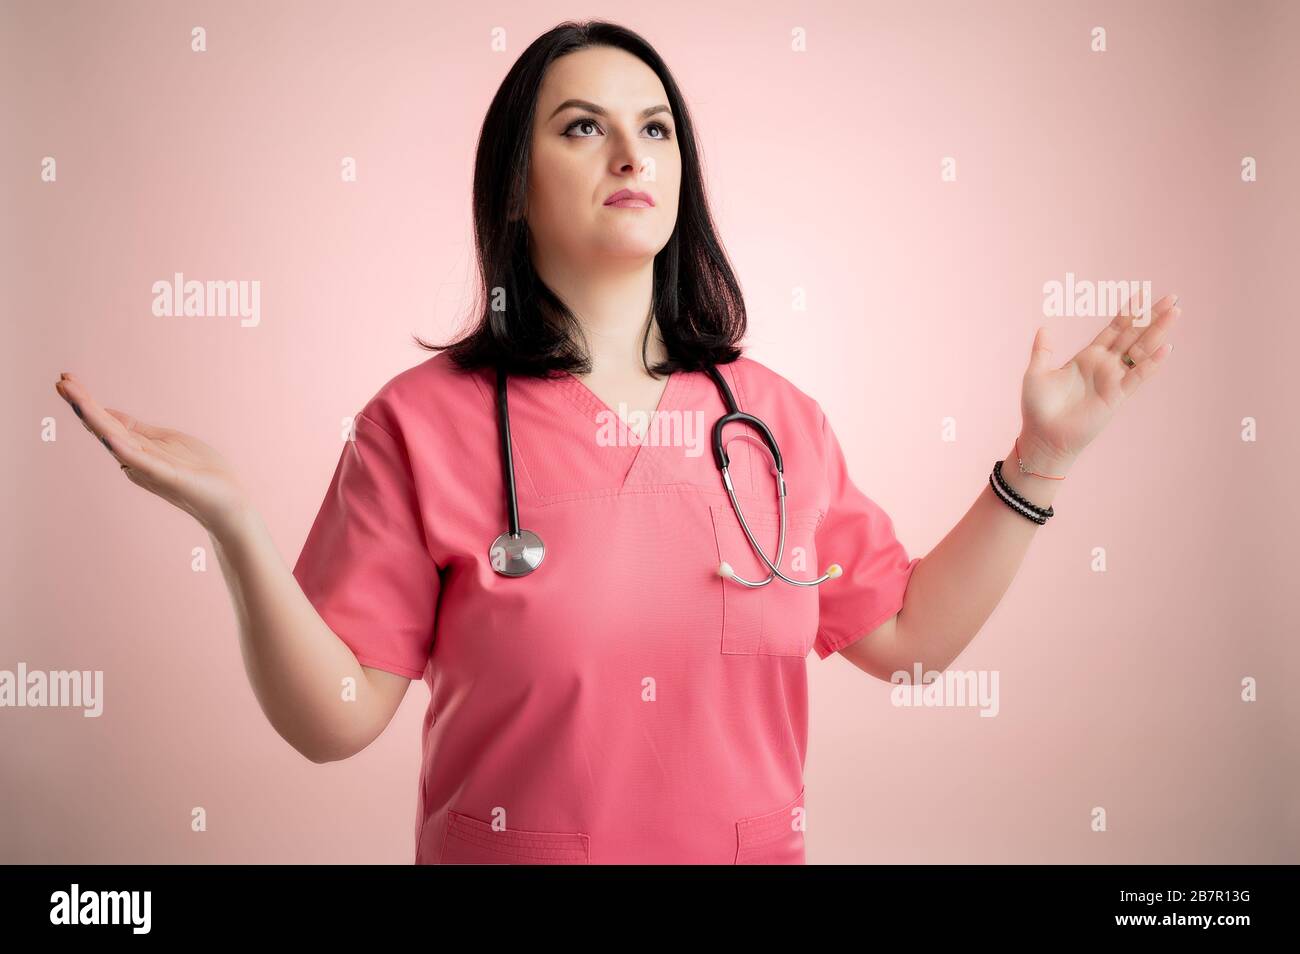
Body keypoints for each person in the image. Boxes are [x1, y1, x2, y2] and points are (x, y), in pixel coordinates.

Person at [51, 20, 1180, 865]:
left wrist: (1042, 459)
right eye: (581, 127)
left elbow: (904, 640)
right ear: (513, 188)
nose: (630, 155)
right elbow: (335, 721)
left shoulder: (774, 423)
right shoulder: (419, 424)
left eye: (654, 129)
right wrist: (236, 528)